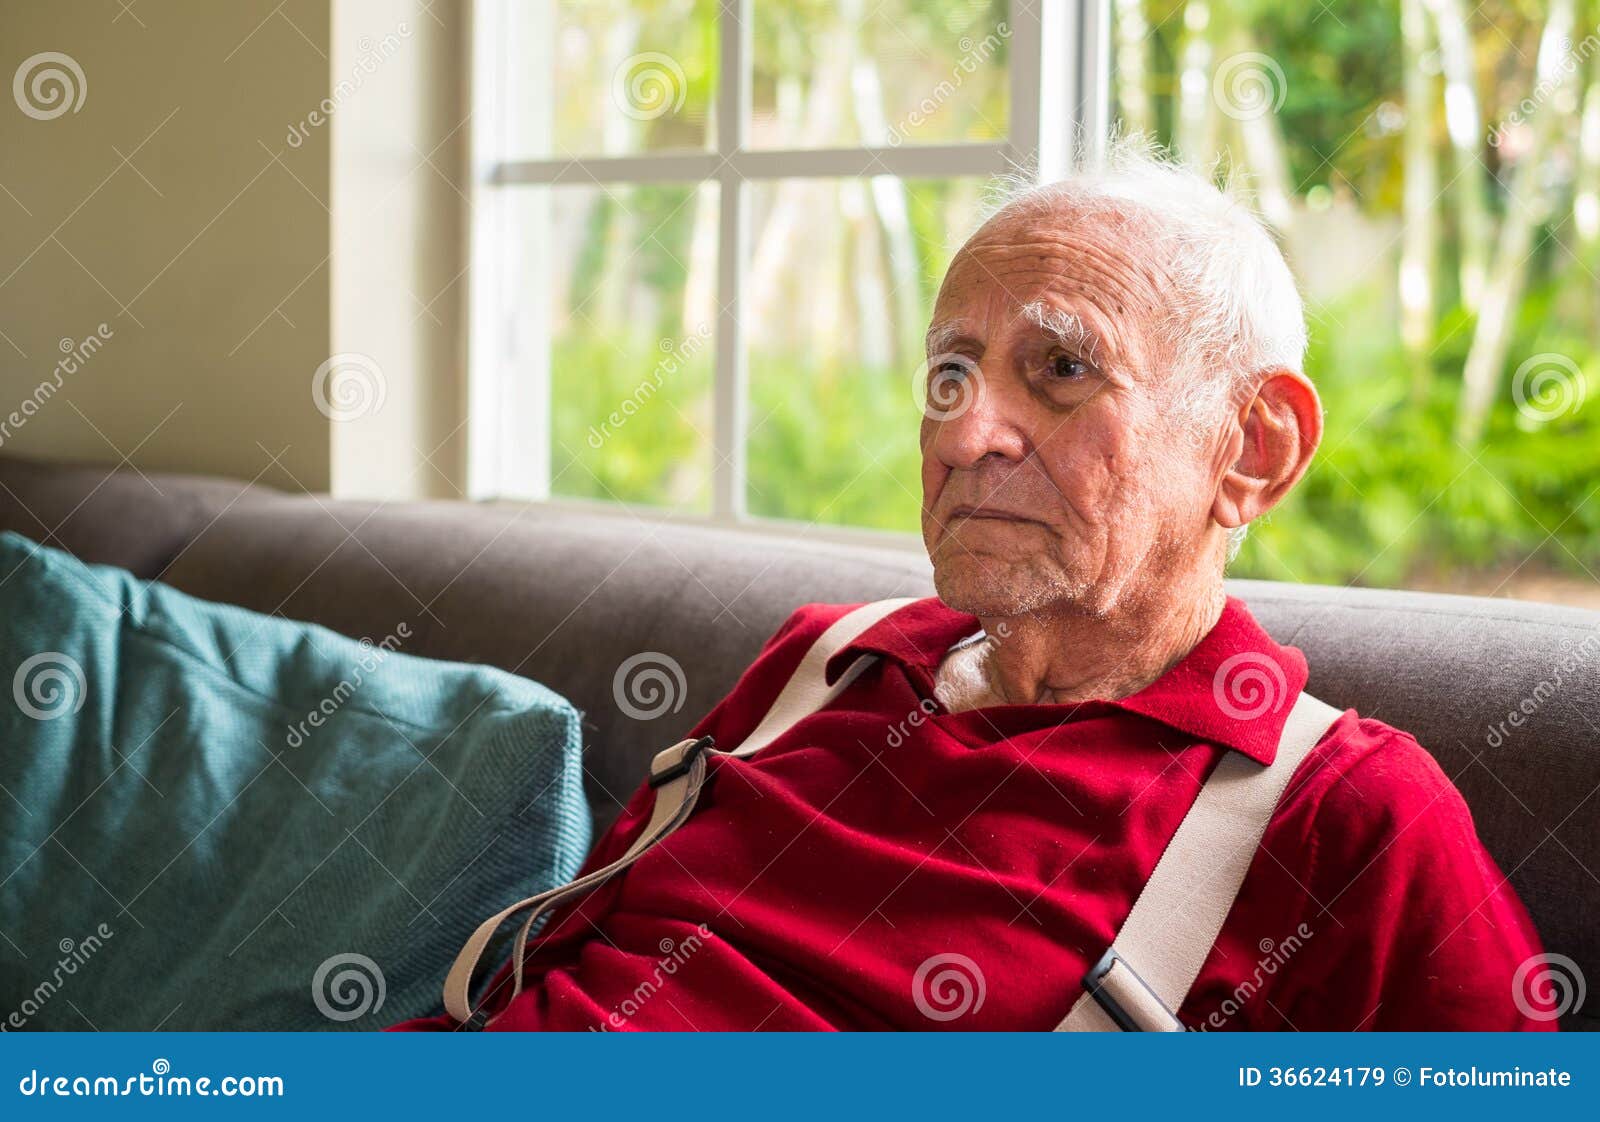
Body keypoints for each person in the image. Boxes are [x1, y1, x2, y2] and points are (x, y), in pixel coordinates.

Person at [395, 139, 1550, 1032]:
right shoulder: (822, 660)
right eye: (950, 372)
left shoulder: (1343, 817)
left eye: (1058, 368)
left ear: (1249, 448)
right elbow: (540, 977)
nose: (965, 431)